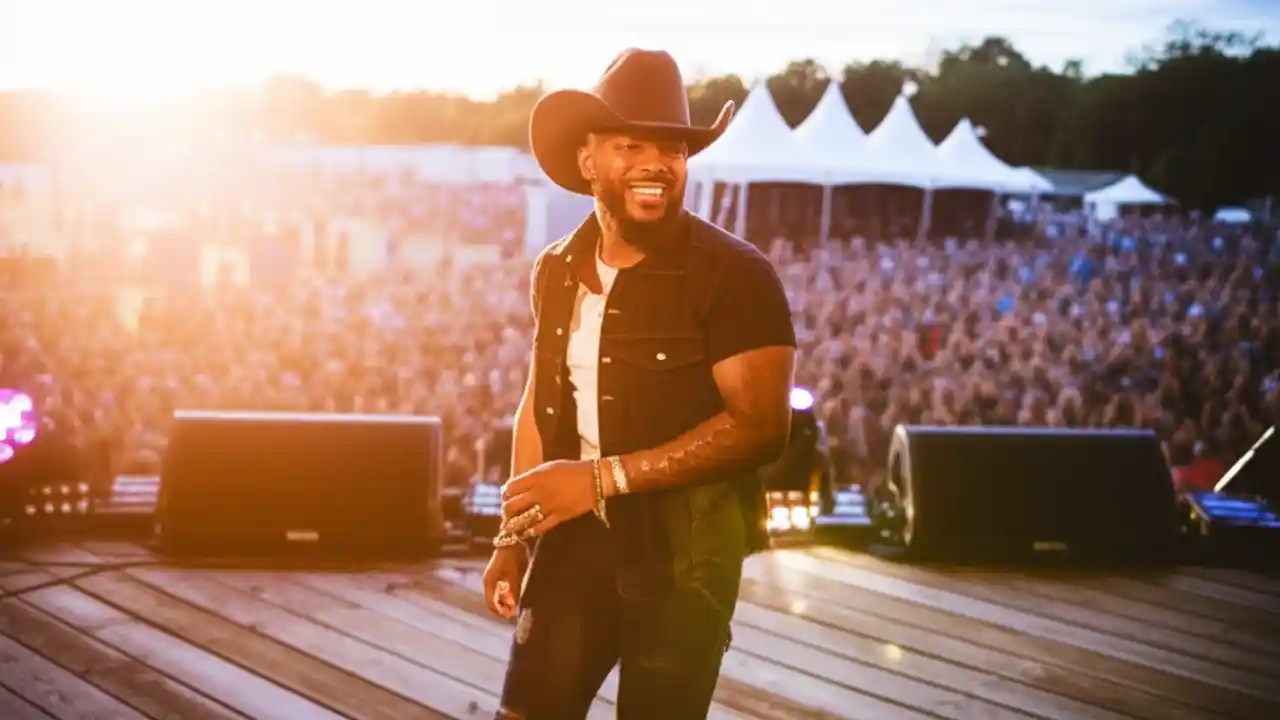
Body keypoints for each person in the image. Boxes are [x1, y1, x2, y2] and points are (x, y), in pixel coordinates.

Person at [481, 48, 797, 719]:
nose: (658, 163)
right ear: (588, 160)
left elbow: (762, 425)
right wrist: (510, 538)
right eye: (632, 145)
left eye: (675, 149)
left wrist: (602, 479)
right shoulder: (556, 268)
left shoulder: (736, 274)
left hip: (687, 555)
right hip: (573, 539)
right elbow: (538, 404)